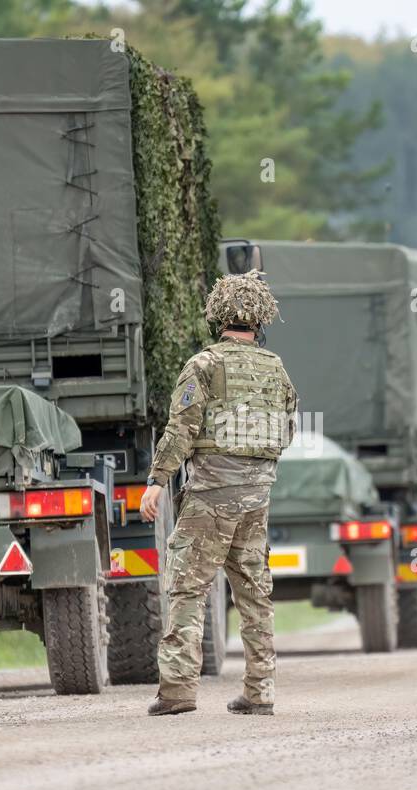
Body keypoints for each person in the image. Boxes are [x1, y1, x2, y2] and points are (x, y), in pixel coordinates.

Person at [138, 271, 297, 716]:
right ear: (261, 317)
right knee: (254, 594)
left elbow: (181, 430)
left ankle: (177, 691)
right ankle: (259, 691)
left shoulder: (203, 365)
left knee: (187, 588)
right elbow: (286, 430)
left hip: (210, 495)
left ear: (217, 314)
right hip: (256, 497)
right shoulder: (276, 367)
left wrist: (156, 480)